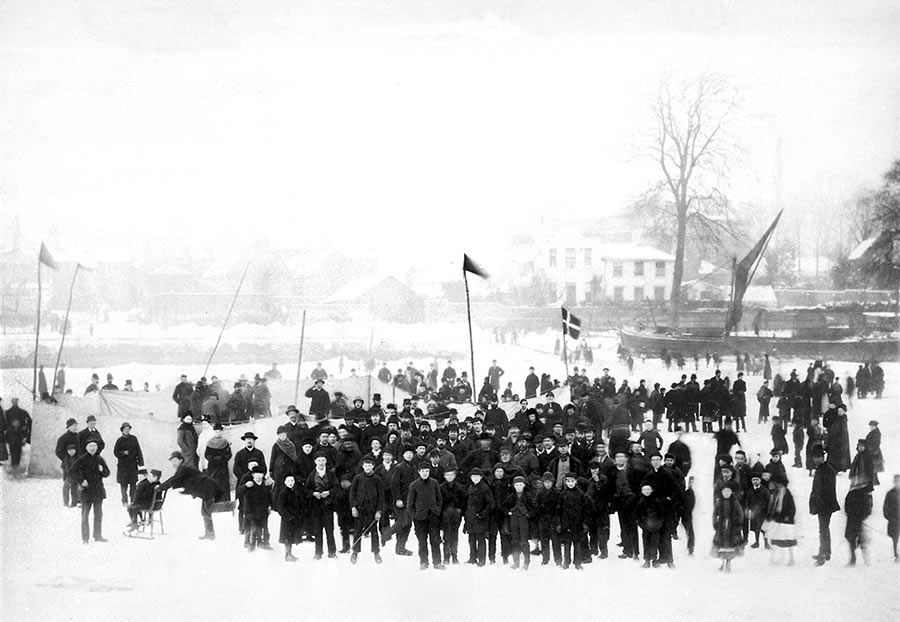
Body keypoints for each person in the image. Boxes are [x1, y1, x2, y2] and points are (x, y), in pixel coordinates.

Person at [159, 450, 223, 540]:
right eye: (171, 462)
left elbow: (173, 480)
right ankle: (210, 534)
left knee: (210, 508)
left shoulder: (183, 468)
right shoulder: (183, 468)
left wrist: (161, 487)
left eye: (175, 461)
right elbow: (185, 481)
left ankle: (232, 506)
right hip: (206, 488)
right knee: (205, 512)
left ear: (180, 460)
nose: (173, 463)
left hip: (207, 488)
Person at [66, 437, 110, 543]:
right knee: (85, 515)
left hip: (98, 491)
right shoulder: (82, 459)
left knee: (98, 514)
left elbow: (107, 473)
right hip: (87, 491)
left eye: (94, 446)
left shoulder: (100, 459)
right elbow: (71, 472)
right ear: (86, 447)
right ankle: (85, 538)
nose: (92, 448)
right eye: (90, 446)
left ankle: (98, 535)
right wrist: (81, 481)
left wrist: (102, 470)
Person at [407, 462, 444, 570]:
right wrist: (415, 515)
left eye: (427, 471)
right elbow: (410, 503)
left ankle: (437, 562)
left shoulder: (434, 483)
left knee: (435, 540)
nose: (425, 473)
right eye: (422, 471)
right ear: (418, 472)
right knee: (422, 541)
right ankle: (424, 562)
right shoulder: (414, 485)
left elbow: (439, 499)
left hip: (433, 516)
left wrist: (437, 510)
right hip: (420, 518)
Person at [349, 456, 385, 564]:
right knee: (358, 531)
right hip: (360, 508)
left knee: (374, 532)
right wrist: (353, 507)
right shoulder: (358, 478)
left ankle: (376, 552)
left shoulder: (377, 479)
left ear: (373, 466)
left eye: (370, 465)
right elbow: (352, 494)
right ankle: (355, 552)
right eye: (366, 465)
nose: (368, 467)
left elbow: (381, 496)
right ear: (363, 466)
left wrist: (379, 511)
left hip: (372, 509)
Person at [809, 445, 839, 565]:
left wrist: (821, 504)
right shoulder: (821, 468)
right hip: (821, 504)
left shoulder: (827, 470)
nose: (816, 460)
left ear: (823, 457)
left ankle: (822, 554)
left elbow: (828, 491)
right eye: (814, 457)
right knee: (824, 528)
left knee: (823, 528)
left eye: (818, 457)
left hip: (826, 505)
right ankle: (827, 552)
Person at [306, 451, 339, 559]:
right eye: (319, 460)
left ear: (326, 461)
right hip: (316, 506)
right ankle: (318, 552)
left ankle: (332, 552)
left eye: (323, 460)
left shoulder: (331, 474)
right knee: (317, 530)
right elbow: (306, 489)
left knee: (329, 529)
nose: (321, 462)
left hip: (328, 505)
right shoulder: (311, 475)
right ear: (315, 461)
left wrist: (328, 492)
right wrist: (313, 493)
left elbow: (336, 487)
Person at [557, 471, 591, 570]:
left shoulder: (580, 494)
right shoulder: (562, 494)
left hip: (578, 524)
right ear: (565, 482)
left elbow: (585, 510)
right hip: (566, 523)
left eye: (572, 481)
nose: (570, 483)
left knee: (577, 544)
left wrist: (585, 523)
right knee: (567, 544)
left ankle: (577, 563)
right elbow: (558, 510)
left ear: (576, 482)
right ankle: (566, 562)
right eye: (568, 481)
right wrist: (559, 523)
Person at [712, 482, 744, 573]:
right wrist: (715, 523)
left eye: (728, 491)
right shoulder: (719, 501)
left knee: (730, 545)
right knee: (721, 544)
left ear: (731, 492)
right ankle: (723, 563)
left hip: (732, 527)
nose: (726, 493)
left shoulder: (735, 502)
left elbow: (740, 513)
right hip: (721, 527)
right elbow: (715, 513)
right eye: (724, 491)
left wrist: (738, 523)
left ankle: (728, 563)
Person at [464, 468, 494, 566]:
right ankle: (472, 557)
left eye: (477, 476)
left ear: (481, 477)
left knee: (480, 539)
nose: (475, 478)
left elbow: (490, 503)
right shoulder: (470, 487)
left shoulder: (485, 488)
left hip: (480, 518)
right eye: (473, 476)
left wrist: (483, 513)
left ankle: (482, 559)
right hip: (471, 517)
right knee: (471, 538)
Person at [241, 466, 273, 551]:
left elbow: (269, 497)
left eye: (261, 474)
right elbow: (240, 491)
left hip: (263, 510)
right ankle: (251, 544)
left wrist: (270, 506)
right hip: (252, 511)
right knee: (254, 528)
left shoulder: (265, 485)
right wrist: (245, 486)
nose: (259, 476)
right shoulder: (250, 484)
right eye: (256, 474)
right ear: (253, 474)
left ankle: (265, 543)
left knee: (265, 528)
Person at [766, 479, 797, 566]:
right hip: (777, 519)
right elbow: (772, 506)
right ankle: (774, 558)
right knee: (775, 539)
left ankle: (791, 559)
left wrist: (788, 516)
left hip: (786, 521)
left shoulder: (787, 493)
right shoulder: (776, 493)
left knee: (788, 540)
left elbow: (792, 508)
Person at [439, 467, 466, 565]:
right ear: (444, 476)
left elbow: (463, 501)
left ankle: (454, 555)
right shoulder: (441, 487)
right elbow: (439, 502)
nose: (449, 477)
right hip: (445, 515)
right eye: (447, 475)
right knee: (446, 535)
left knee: (455, 535)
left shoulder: (460, 488)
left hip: (456, 515)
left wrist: (460, 511)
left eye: (451, 475)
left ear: (454, 476)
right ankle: (446, 556)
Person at [113, 422, 144, 505]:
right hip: (123, 467)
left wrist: (141, 462)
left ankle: (133, 499)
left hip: (132, 465)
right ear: (122, 430)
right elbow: (115, 452)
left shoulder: (134, 439)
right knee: (123, 485)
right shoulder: (119, 440)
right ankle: (124, 500)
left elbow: (138, 450)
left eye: (128, 429)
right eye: (125, 429)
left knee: (133, 483)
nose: (127, 430)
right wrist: (123, 453)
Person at [55, 417, 81, 507]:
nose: (75, 427)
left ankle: (78, 500)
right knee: (67, 483)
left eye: (76, 425)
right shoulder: (63, 438)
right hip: (67, 465)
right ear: (69, 427)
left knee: (79, 482)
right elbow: (58, 451)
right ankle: (66, 502)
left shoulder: (79, 436)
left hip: (78, 463)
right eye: (73, 426)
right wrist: (67, 459)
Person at [277, 473, 302, 561]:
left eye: (292, 481)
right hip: (287, 520)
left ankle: (290, 553)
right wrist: (287, 516)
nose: (291, 482)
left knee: (291, 538)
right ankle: (287, 554)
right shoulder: (283, 493)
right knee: (287, 538)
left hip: (294, 518)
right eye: (288, 481)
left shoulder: (295, 491)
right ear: (285, 482)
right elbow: (280, 507)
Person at [204, 424, 232, 501]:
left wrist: (222, 459)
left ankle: (224, 502)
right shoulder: (210, 442)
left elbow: (229, 454)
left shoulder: (225, 442)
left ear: (221, 432)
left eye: (219, 432)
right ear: (214, 432)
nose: (218, 433)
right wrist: (214, 459)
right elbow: (206, 454)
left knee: (223, 485)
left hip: (222, 467)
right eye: (216, 432)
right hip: (212, 467)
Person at [4, 397, 32, 475]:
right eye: (13, 401)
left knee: (18, 450)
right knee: (12, 450)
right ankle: (14, 466)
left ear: (17, 402)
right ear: (11, 402)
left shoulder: (22, 412)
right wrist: (10, 427)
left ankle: (16, 466)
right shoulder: (7, 412)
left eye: (15, 401)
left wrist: (24, 427)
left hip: (19, 434)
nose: (14, 403)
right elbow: (4, 424)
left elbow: (29, 421)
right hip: (11, 434)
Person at [883, 474, 899, 562]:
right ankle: (896, 554)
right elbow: (885, 507)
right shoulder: (890, 493)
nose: (897, 483)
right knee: (895, 538)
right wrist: (888, 517)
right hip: (894, 520)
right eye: (896, 481)